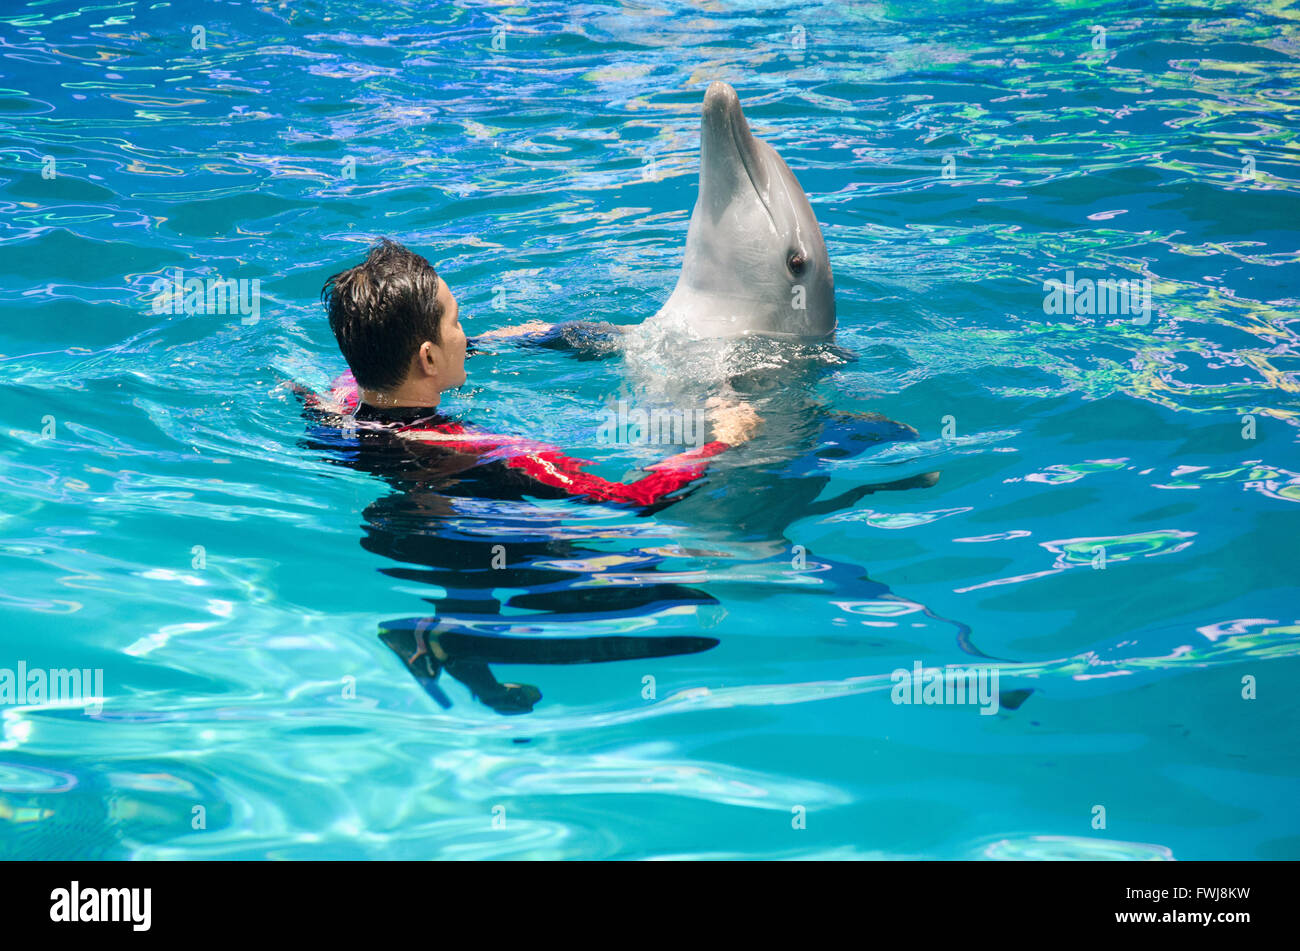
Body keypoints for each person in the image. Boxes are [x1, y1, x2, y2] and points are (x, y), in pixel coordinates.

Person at [301, 238, 758, 510]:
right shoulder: (493, 451)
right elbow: (628, 497)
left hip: (406, 521)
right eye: (458, 324)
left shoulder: (341, 399)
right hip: (504, 550)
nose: (465, 335)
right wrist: (720, 443)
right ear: (428, 359)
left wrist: (503, 341)